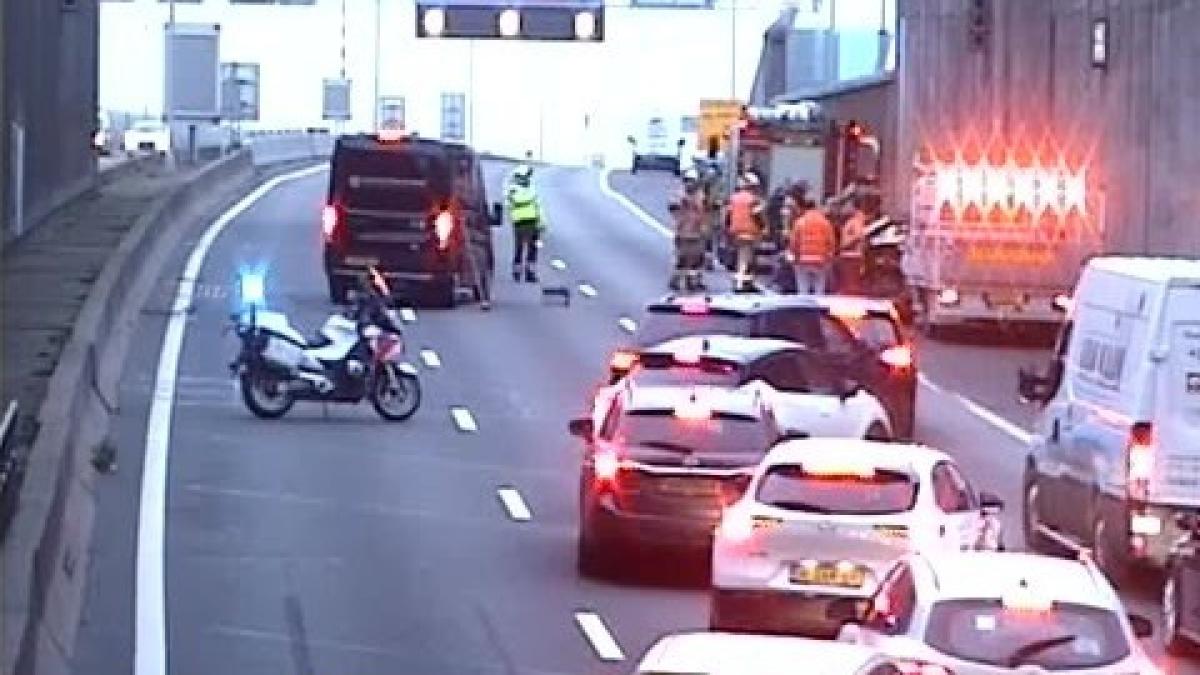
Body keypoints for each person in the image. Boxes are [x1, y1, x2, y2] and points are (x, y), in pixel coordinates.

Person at [787, 194, 836, 294]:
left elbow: (793, 242)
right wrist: (829, 259)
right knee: (819, 290)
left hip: (803, 261)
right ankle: (818, 307)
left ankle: (804, 307)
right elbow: (831, 242)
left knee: (803, 290)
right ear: (816, 206)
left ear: (804, 207)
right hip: (820, 261)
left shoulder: (799, 222)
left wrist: (794, 258)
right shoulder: (825, 222)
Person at [668, 168, 708, 291]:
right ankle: (675, 279)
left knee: (697, 258)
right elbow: (673, 208)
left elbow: (705, 211)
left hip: (697, 231)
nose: (689, 184)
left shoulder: (701, 195)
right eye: (687, 181)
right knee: (682, 257)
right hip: (683, 231)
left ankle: (692, 281)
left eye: (692, 181)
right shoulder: (680, 194)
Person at [727, 173, 765, 292]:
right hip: (749, 232)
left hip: (736, 232)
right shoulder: (754, 200)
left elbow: (728, 216)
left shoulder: (733, 198)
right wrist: (763, 228)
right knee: (747, 258)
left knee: (741, 257)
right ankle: (742, 283)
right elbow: (757, 216)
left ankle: (742, 282)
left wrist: (728, 229)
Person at [506, 164, 542, 283]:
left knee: (525, 248)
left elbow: (537, 205)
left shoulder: (514, 188)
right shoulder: (520, 189)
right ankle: (524, 273)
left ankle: (522, 273)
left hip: (524, 221)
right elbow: (535, 204)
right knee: (526, 248)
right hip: (526, 221)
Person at [836, 198, 868, 294]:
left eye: (847, 206)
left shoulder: (855, 221)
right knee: (849, 283)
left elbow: (858, 236)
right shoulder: (854, 220)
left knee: (850, 283)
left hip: (852, 256)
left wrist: (845, 246)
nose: (845, 208)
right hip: (851, 255)